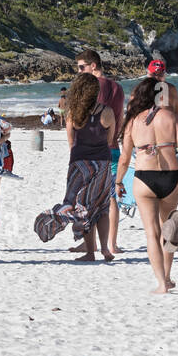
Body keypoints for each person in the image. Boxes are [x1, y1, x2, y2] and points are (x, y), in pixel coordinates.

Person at [115, 77, 178, 294]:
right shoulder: (170, 117)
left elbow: (124, 159)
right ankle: (168, 276)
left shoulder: (132, 121)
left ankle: (161, 283)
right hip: (170, 177)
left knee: (151, 233)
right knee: (168, 229)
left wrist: (118, 181)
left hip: (144, 178)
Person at [38, 72, 116, 261]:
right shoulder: (107, 112)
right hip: (103, 163)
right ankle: (105, 248)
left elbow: (71, 141)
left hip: (80, 163)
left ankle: (90, 252)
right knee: (103, 206)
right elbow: (111, 139)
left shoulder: (73, 113)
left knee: (83, 208)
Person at [73, 49, 126, 257]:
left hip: (94, 148)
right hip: (114, 147)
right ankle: (112, 243)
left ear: (93, 66)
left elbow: (88, 117)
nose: (79, 72)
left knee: (88, 197)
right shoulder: (118, 87)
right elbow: (119, 116)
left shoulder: (96, 86)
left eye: (81, 67)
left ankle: (91, 244)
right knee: (110, 197)